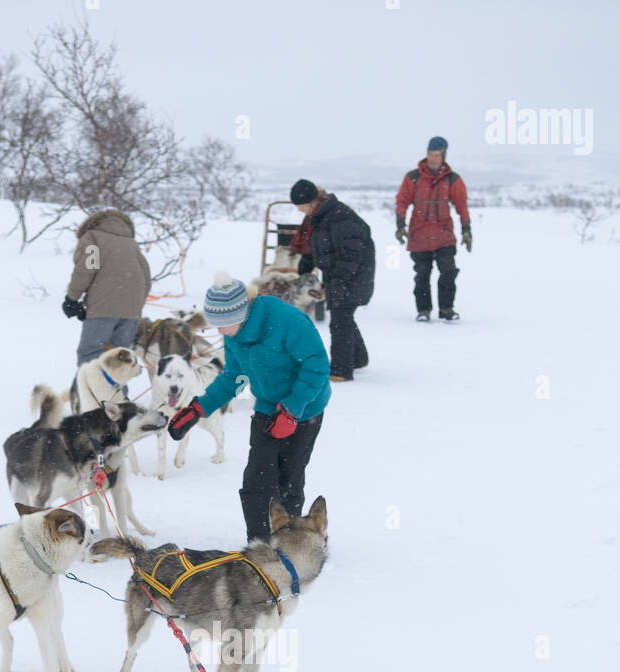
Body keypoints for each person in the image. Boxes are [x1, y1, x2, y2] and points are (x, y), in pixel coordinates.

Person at [168, 272, 330, 542]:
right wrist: (199, 408)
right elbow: (234, 376)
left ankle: (287, 542)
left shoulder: (287, 321)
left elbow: (316, 366)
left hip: (306, 407)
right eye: (215, 325)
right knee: (257, 479)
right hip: (267, 405)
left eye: (223, 325)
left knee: (289, 476)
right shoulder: (234, 334)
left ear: (241, 314)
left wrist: (292, 409)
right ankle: (259, 544)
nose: (219, 332)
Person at [289, 179, 375, 383]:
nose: (300, 211)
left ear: (310, 201)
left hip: (354, 274)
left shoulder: (340, 218)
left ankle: (341, 370)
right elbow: (319, 245)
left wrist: (335, 283)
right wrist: (306, 266)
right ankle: (358, 358)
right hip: (340, 273)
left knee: (340, 319)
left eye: (301, 207)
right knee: (343, 315)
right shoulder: (321, 216)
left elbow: (349, 256)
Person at [61, 209, 153, 366]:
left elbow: (86, 269)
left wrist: (72, 299)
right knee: (120, 359)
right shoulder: (131, 243)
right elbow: (146, 278)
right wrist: (134, 307)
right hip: (131, 312)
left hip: (102, 310)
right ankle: (116, 390)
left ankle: (89, 390)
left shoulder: (92, 237)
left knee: (91, 355)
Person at [395, 137, 471, 322]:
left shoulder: (453, 179)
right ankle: (423, 310)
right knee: (422, 275)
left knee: (448, 272)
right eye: (430, 154)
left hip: (444, 235)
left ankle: (446, 309)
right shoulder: (413, 177)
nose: (432, 159)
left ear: (443, 155)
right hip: (419, 235)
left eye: (436, 155)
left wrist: (466, 230)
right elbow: (402, 201)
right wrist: (400, 225)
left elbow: (462, 206)